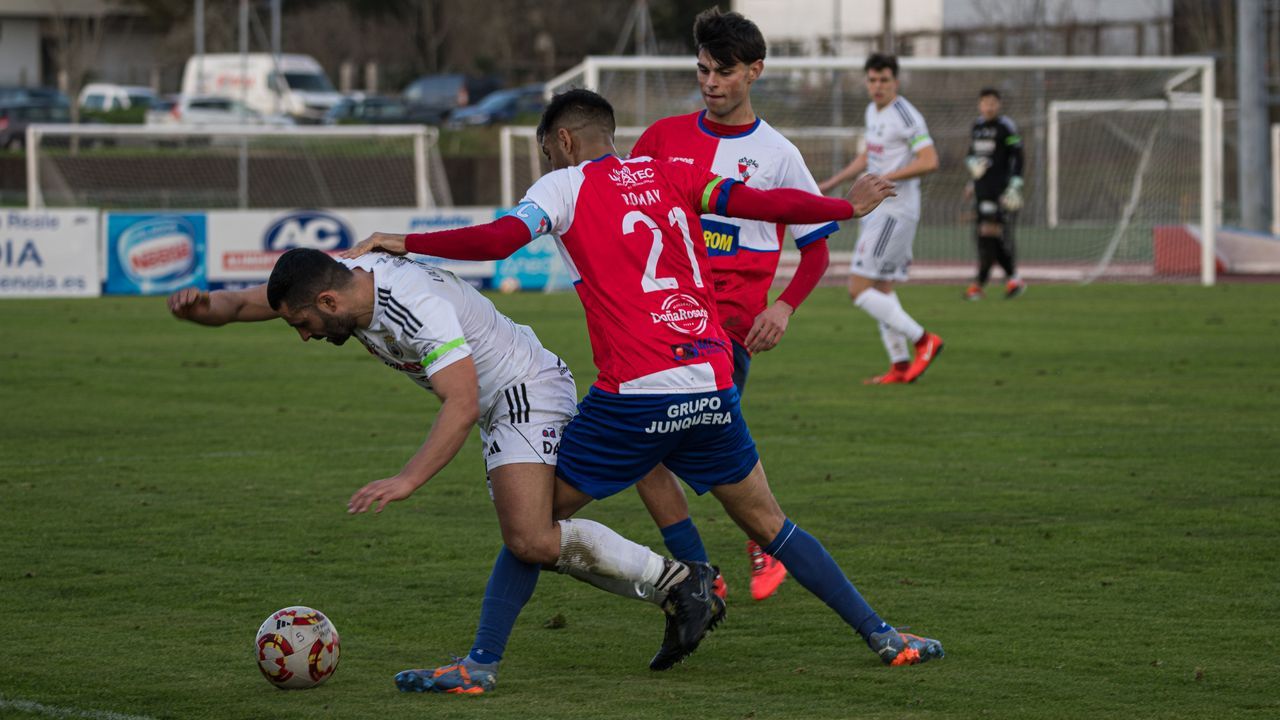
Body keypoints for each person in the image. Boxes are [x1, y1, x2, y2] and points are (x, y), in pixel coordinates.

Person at [345, 88, 944, 675]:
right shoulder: (671, 173)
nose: (548, 164)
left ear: (563, 140)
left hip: (636, 393)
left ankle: (487, 660)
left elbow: (499, 241)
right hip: (711, 382)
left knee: (530, 527)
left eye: (548, 154)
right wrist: (846, 206)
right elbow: (762, 204)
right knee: (771, 525)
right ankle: (885, 636)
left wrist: (401, 240)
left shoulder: (564, 185)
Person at [167, 249, 723, 694]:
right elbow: (243, 304)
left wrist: (408, 479)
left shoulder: (413, 307)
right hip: (503, 399)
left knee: (529, 535)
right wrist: (203, 309)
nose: (305, 335)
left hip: (524, 390)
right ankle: (493, 659)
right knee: (531, 536)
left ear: (330, 299)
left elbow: (459, 402)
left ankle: (679, 582)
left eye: (305, 323)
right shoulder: (341, 283)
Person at [626, 7, 835, 603]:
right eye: (702, 70)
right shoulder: (663, 138)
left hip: (731, 332)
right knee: (661, 450)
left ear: (755, 72)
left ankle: (717, 560)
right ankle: (724, 557)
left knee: (662, 447)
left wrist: (785, 307)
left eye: (723, 71)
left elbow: (816, 252)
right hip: (660, 324)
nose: (710, 82)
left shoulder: (778, 156)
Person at [818, 53, 944, 385]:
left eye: (884, 80)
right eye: (872, 80)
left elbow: (930, 160)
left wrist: (886, 176)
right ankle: (900, 366)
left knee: (858, 289)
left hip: (894, 210)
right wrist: (832, 183)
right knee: (881, 288)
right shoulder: (872, 111)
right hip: (876, 209)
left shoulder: (906, 115)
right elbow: (866, 156)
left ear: (895, 82)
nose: (877, 86)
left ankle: (923, 340)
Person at [964, 87, 1026, 300]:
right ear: (979, 105)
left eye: (992, 103)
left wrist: (1015, 184)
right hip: (982, 189)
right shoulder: (977, 127)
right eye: (985, 102)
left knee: (987, 235)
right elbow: (971, 155)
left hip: (999, 189)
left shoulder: (1005, 127)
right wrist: (971, 182)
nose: (988, 107)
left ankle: (979, 284)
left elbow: (1017, 155)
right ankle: (1013, 279)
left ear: (998, 105)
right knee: (990, 237)